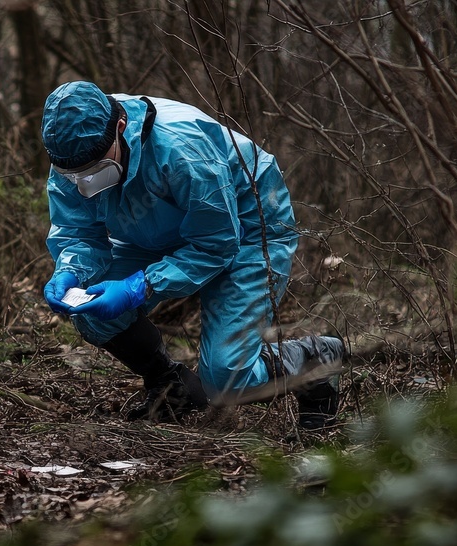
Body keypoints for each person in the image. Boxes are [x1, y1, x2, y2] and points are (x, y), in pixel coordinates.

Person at [40, 81, 346, 428]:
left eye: (94, 169)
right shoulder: (72, 150)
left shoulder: (181, 147)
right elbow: (77, 232)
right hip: (154, 231)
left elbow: (215, 243)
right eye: (73, 174)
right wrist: (71, 271)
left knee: (227, 378)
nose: (84, 181)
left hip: (245, 231)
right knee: (91, 308)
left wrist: (141, 286)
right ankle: (170, 385)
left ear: (120, 128)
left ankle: (316, 359)